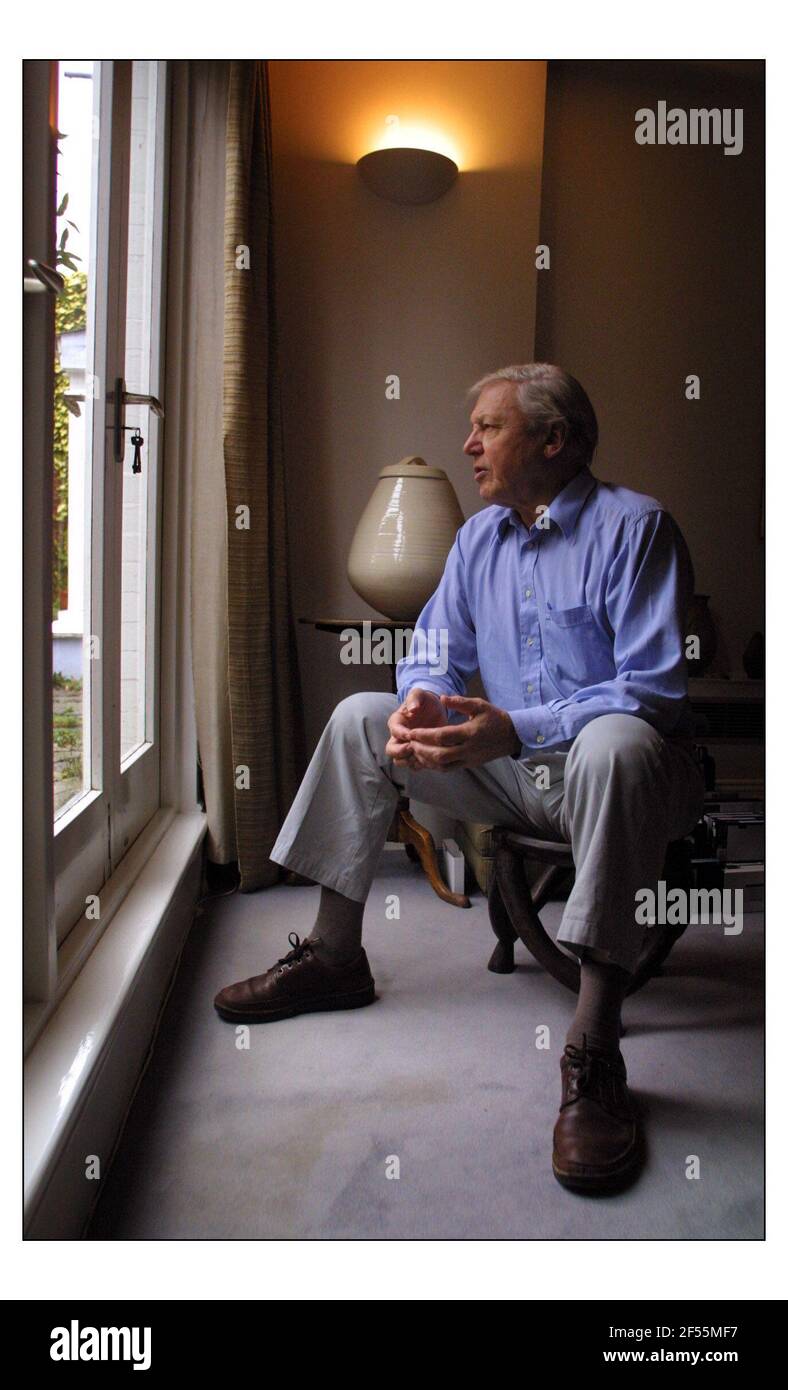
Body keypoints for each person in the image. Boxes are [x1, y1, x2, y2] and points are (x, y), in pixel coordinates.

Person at [214, 363, 705, 1194]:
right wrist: (418, 704)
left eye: (488, 427)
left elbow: (653, 688)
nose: (468, 444)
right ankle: (336, 956)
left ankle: (594, 1047)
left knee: (614, 741)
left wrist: (518, 726)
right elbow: (434, 653)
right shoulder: (479, 540)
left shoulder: (637, 528)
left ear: (554, 439)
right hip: (513, 772)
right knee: (360, 719)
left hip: (623, 775)